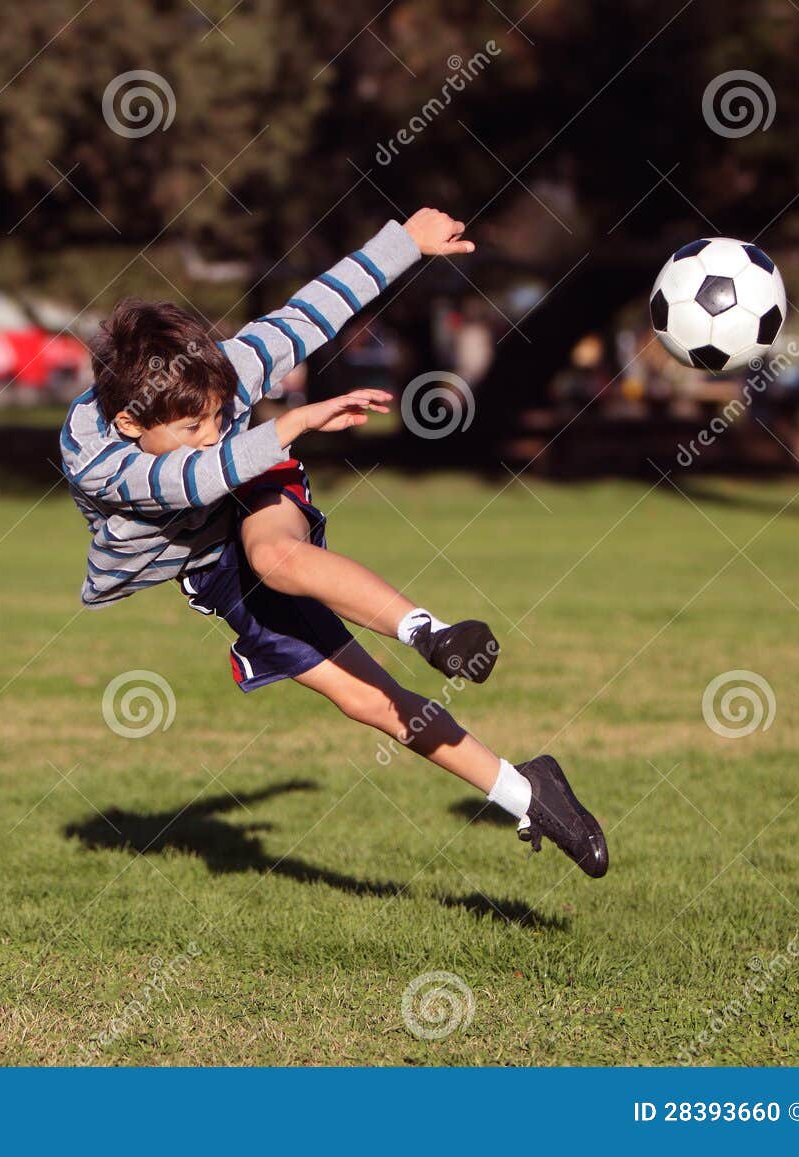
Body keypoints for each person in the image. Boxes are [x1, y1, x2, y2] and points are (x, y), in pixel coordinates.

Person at [59, 209, 606, 876]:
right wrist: (291, 423)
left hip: (258, 493)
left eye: (216, 415)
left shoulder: (217, 373)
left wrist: (406, 242)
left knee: (275, 555)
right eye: (194, 424)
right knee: (366, 700)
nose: (213, 428)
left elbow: (309, 312)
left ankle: (430, 633)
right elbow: (192, 477)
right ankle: (529, 791)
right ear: (128, 420)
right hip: (207, 557)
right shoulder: (95, 458)